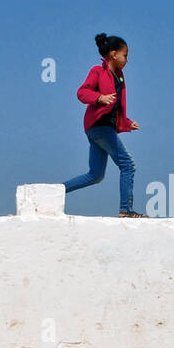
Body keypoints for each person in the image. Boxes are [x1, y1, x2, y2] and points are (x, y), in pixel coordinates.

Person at [63, 33, 146, 217]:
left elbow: (116, 108)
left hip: (101, 128)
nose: (127, 60)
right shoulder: (98, 71)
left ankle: (56, 191)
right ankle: (126, 210)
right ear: (114, 54)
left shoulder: (120, 77)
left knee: (95, 175)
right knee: (128, 164)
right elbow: (82, 92)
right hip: (98, 126)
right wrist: (99, 97)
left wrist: (127, 122)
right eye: (125, 55)